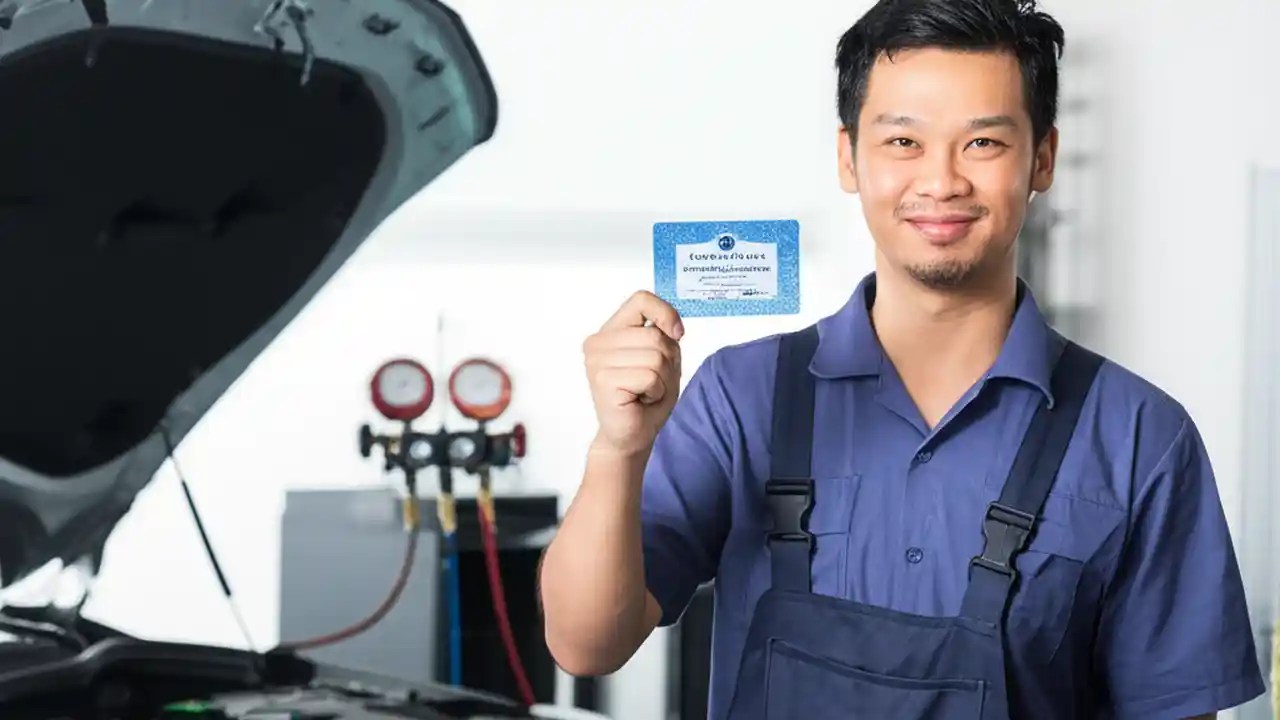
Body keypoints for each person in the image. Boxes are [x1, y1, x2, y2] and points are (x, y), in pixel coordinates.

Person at [538, 0, 1266, 717]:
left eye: (983, 143)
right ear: (848, 157)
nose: (941, 181)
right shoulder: (741, 393)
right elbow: (585, 645)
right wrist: (618, 448)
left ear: (1042, 159)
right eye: (903, 142)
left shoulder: (1140, 436)